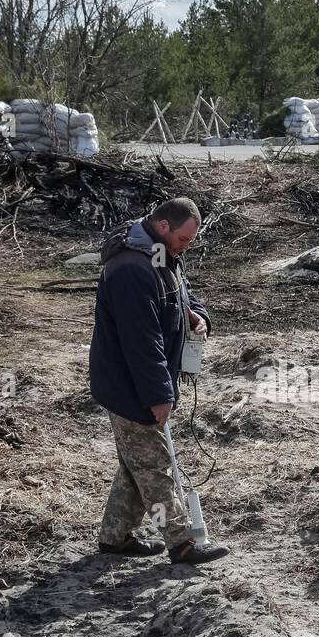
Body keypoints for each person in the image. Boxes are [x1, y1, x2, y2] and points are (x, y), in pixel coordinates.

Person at [89, 197, 229, 565]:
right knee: (155, 467)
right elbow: (141, 341)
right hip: (129, 385)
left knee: (137, 463)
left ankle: (115, 537)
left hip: (143, 380)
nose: (188, 245)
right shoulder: (131, 268)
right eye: (185, 238)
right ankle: (181, 542)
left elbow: (179, 291)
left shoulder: (158, 252)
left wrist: (196, 315)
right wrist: (159, 395)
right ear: (164, 226)